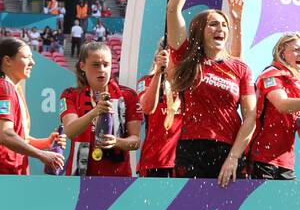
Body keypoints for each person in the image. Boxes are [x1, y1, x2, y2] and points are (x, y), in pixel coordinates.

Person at [165, 0, 255, 184]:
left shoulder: (240, 68)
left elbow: (251, 117)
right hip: (191, 149)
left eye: (224, 25)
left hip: (230, 152)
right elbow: (173, 10)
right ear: (200, 31)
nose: (220, 29)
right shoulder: (187, 57)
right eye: (213, 24)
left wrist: (234, 157)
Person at [246, 33, 300, 180]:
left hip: (287, 162)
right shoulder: (272, 74)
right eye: (296, 50)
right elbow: (282, 105)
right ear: (282, 52)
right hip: (261, 157)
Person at [59, 40, 142, 176]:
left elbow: (136, 140)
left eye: (106, 65)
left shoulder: (128, 95)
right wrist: (95, 112)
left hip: (118, 178)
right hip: (79, 178)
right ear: (82, 66)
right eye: (96, 65)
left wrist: (117, 142)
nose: (102, 70)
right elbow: (70, 131)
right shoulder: (71, 95)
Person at [0, 37, 65, 175]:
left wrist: (46, 142)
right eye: (26, 57)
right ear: (7, 61)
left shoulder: (13, 89)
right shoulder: (5, 88)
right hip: (6, 175)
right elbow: (5, 134)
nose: (32, 62)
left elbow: (21, 139)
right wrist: (41, 154)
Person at [137, 40, 183, 178]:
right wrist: (158, 73)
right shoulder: (146, 81)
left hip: (183, 163)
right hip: (154, 162)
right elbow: (146, 107)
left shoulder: (188, 86)